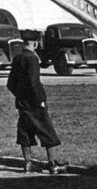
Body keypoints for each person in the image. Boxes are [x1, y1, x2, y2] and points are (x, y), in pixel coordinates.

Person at [6, 39, 66, 174]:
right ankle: (52, 164)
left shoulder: (17, 58)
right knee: (46, 130)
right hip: (35, 103)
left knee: (25, 132)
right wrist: (39, 100)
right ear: (35, 44)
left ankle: (28, 163)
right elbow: (33, 81)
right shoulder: (32, 59)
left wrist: (20, 95)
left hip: (22, 103)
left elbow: (10, 83)